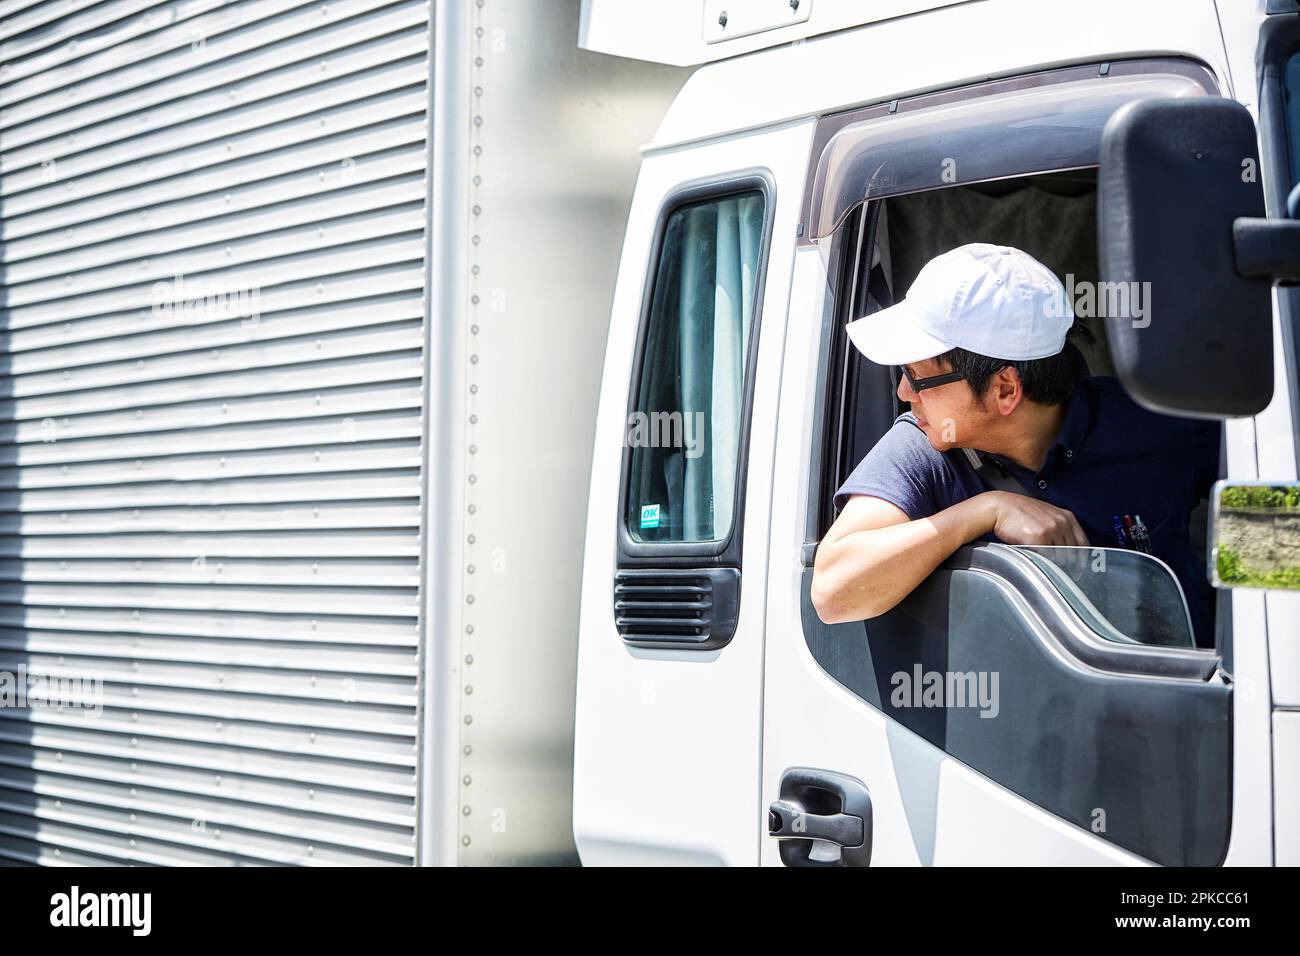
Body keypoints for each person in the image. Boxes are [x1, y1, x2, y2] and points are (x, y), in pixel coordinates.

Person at [810, 243, 1219, 647]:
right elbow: (832, 591)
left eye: (917, 377)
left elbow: (1272, 530)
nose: (903, 392)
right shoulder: (924, 443)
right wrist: (984, 512)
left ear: (1005, 389)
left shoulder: (1158, 421)